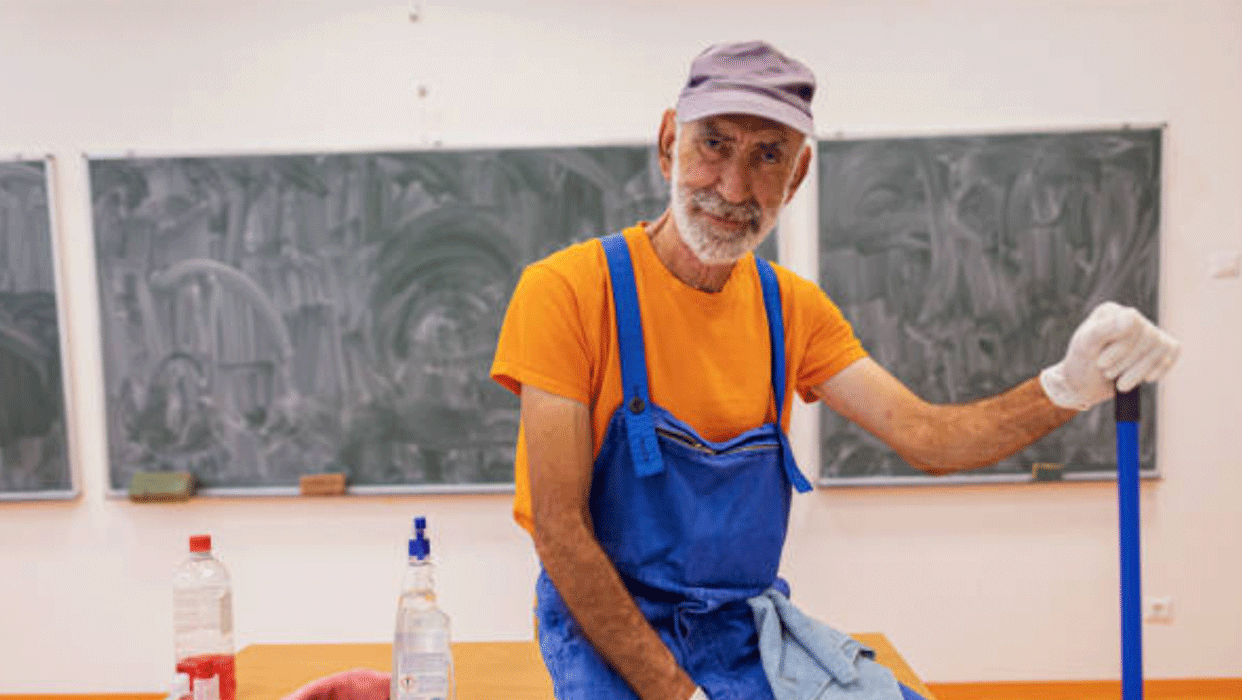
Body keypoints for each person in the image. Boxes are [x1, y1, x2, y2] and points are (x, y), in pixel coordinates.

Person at [485, 40, 1179, 700]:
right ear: (670, 142)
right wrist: (679, 694)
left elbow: (929, 438)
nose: (733, 185)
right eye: (714, 144)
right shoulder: (569, 292)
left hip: (740, 630)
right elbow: (559, 528)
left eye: (768, 156)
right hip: (607, 630)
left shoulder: (793, 311)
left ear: (799, 174)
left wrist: (1069, 384)